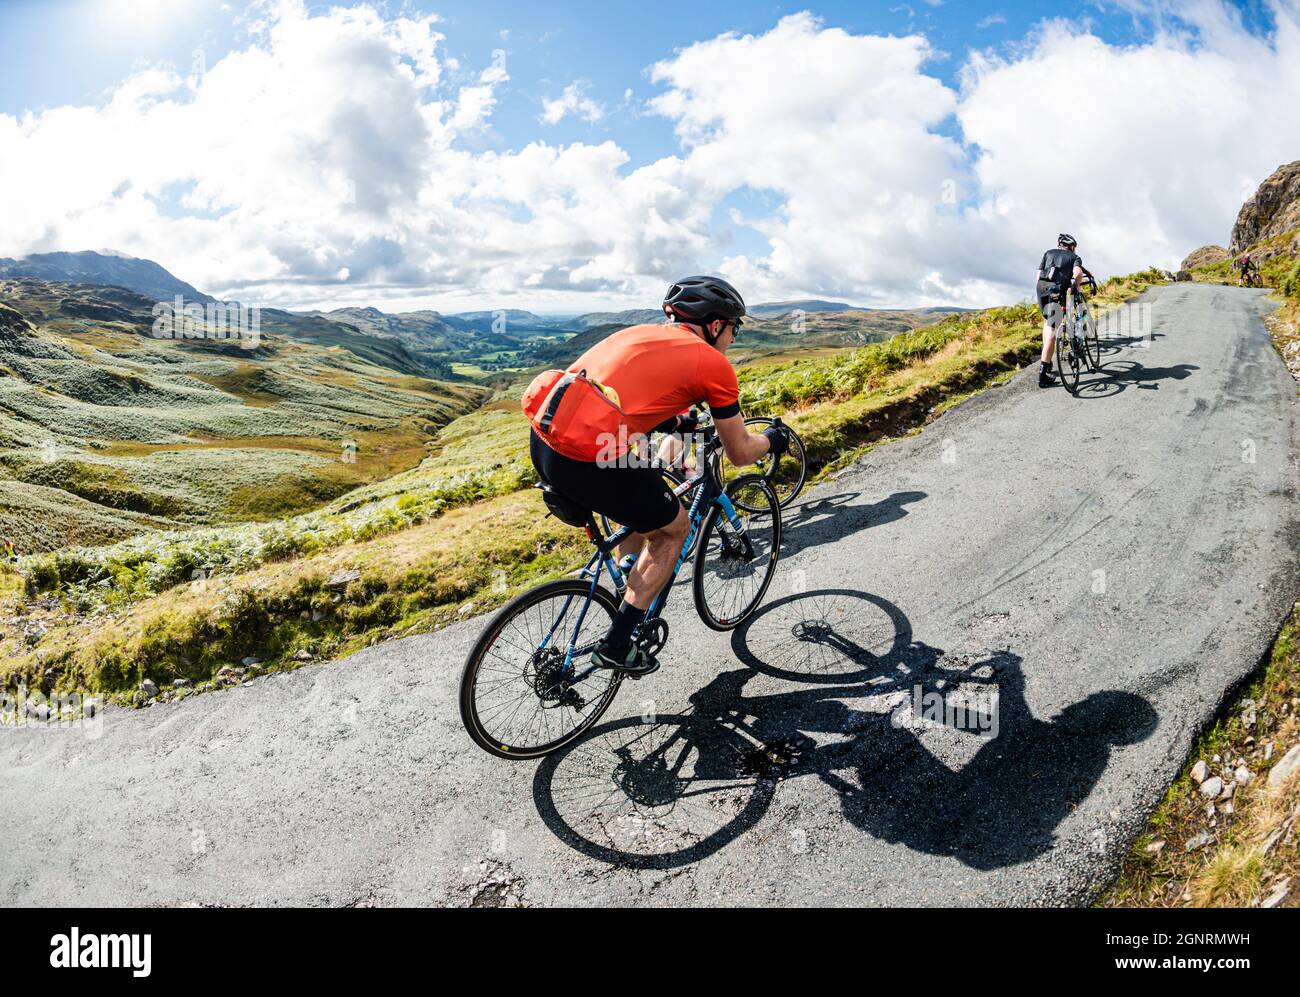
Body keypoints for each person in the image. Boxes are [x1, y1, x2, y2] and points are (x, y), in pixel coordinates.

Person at [525, 276, 788, 675]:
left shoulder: (640, 333)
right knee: (672, 529)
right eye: (735, 328)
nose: (733, 339)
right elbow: (738, 453)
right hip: (589, 457)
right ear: (715, 325)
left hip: (545, 440)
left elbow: (623, 395)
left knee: (642, 501)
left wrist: (676, 423)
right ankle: (618, 644)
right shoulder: (713, 364)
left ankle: (630, 579)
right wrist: (771, 439)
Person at [1034, 234, 1091, 388]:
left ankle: (1048, 361)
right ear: (1071, 246)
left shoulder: (1048, 253)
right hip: (1056, 290)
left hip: (1041, 289)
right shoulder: (1074, 257)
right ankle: (1043, 373)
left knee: (1047, 323)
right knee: (1053, 330)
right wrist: (1074, 287)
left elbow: (1038, 275)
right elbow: (1078, 274)